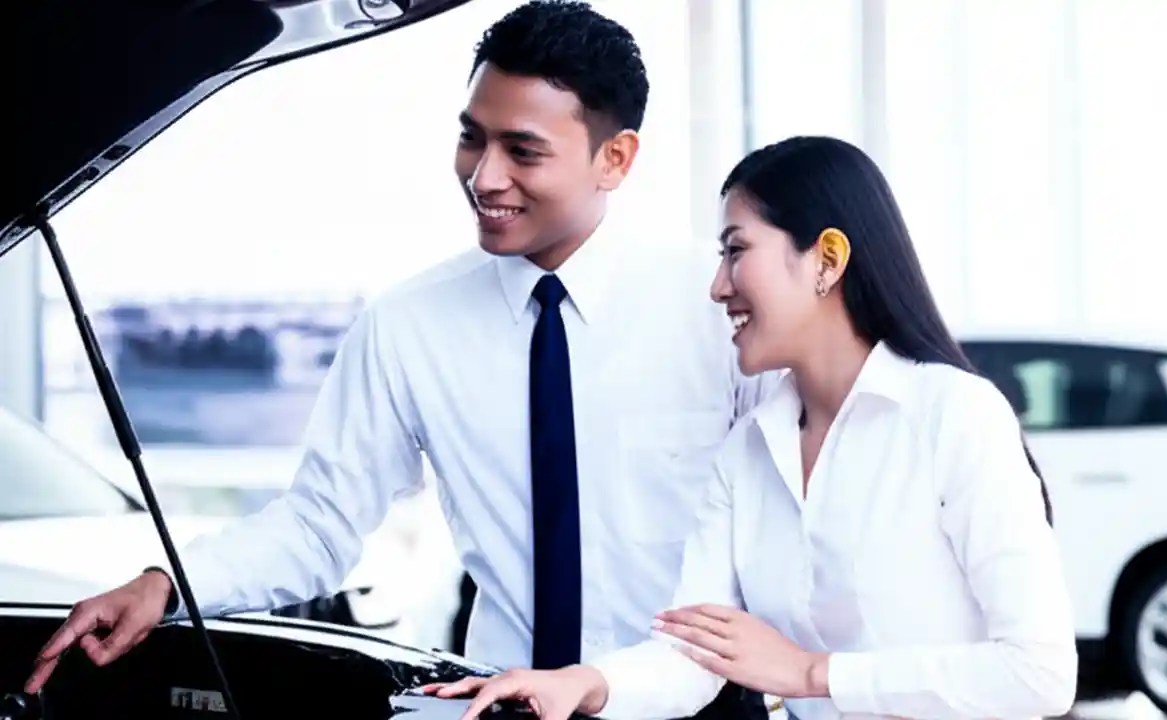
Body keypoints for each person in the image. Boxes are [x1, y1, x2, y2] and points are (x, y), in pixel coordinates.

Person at [25, 3, 776, 717]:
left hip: (695, 707)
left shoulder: (722, 315)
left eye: (523, 150)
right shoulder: (408, 324)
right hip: (497, 704)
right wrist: (167, 584)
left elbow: (790, 538)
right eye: (471, 138)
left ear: (615, 158)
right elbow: (320, 526)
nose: (484, 177)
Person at [426, 136, 1079, 720]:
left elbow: (1041, 674)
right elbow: (695, 655)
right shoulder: (748, 449)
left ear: (826, 259)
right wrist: (578, 685)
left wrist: (811, 674)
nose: (717, 286)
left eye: (737, 251)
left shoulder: (954, 415)